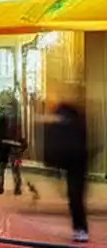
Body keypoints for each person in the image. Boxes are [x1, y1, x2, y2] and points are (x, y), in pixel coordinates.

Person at [45, 98, 91, 243]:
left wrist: (53, 163)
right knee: (75, 197)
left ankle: (80, 229)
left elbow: (56, 143)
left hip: (74, 163)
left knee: (74, 197)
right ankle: (80, 228)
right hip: (78, 163)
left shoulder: (64, 122)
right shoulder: (76, 121)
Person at [0, 88, 25, 195]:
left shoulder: (2, 113)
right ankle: (18, 187)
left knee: (2, 166)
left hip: (4, 144)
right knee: (16, 165)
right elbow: (20, 129)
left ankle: (0, 187)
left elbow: (1, 130)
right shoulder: (17, 113)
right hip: (15, 144)